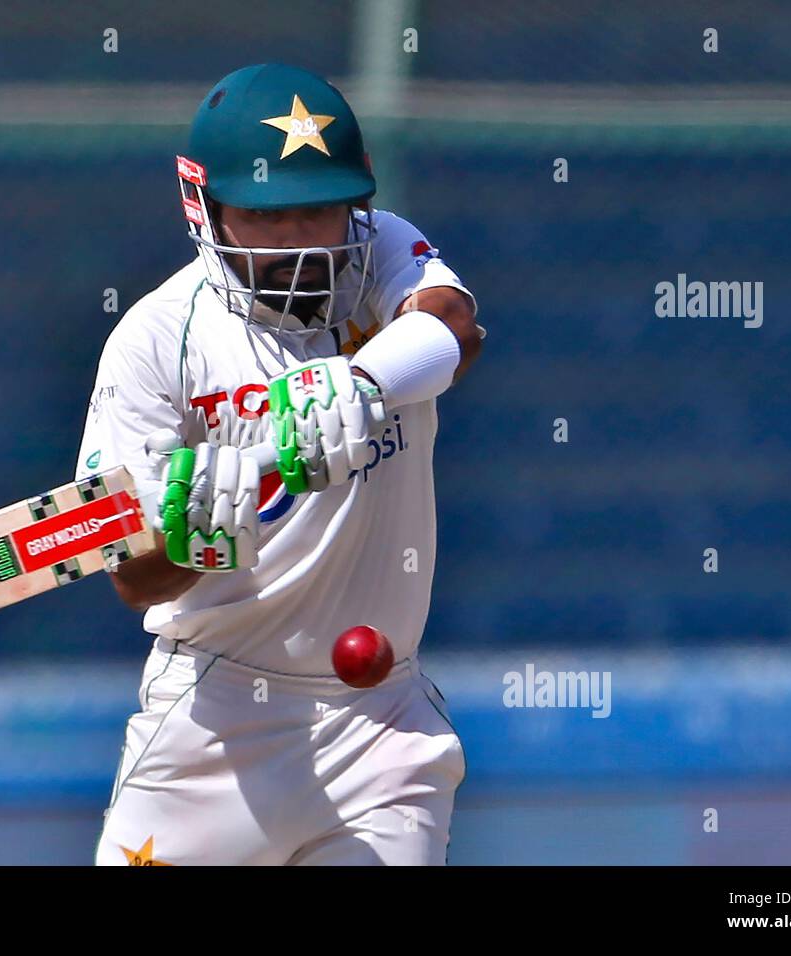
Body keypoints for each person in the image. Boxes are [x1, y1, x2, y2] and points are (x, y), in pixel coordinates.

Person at [75, 62, 485, 865]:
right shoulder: (156, 342)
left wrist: (359, 383)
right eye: (270, 218)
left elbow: (456, 329)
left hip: (379, 725)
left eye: (320, 212)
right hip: (211, 728)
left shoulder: (382, 259)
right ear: (208, 208)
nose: (301, 243)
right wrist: (197, 533)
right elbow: (132, 578)